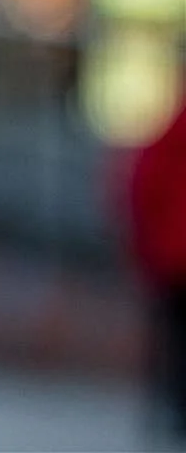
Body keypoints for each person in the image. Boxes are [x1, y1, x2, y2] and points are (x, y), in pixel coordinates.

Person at [128, 90, 186, 439]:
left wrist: (145, 249)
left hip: (169, 262)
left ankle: (168, 408)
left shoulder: (165, 140)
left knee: (172, 339)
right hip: (171, 260)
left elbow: (140, 189)